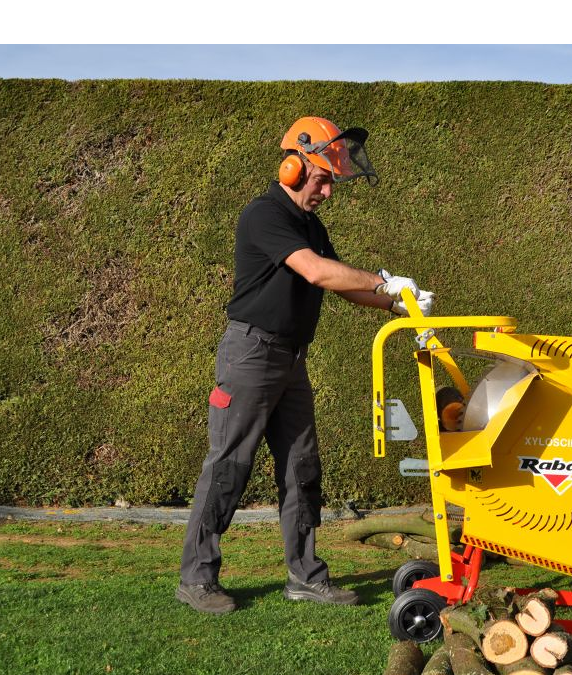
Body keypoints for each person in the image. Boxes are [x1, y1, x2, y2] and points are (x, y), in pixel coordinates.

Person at [177, 116, 433, 614]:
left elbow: (341, 282)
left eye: (332, 182)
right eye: (321, 179)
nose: (327, 192)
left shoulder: (311, 225)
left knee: (301, 468)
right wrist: (384, 280)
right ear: (293, 167)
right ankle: (196, 578)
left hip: (291, 359)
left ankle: (305, 576)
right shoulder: (263, 215)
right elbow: (315, 271)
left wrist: (397, 304)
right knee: (229, 466)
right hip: (250, 354)